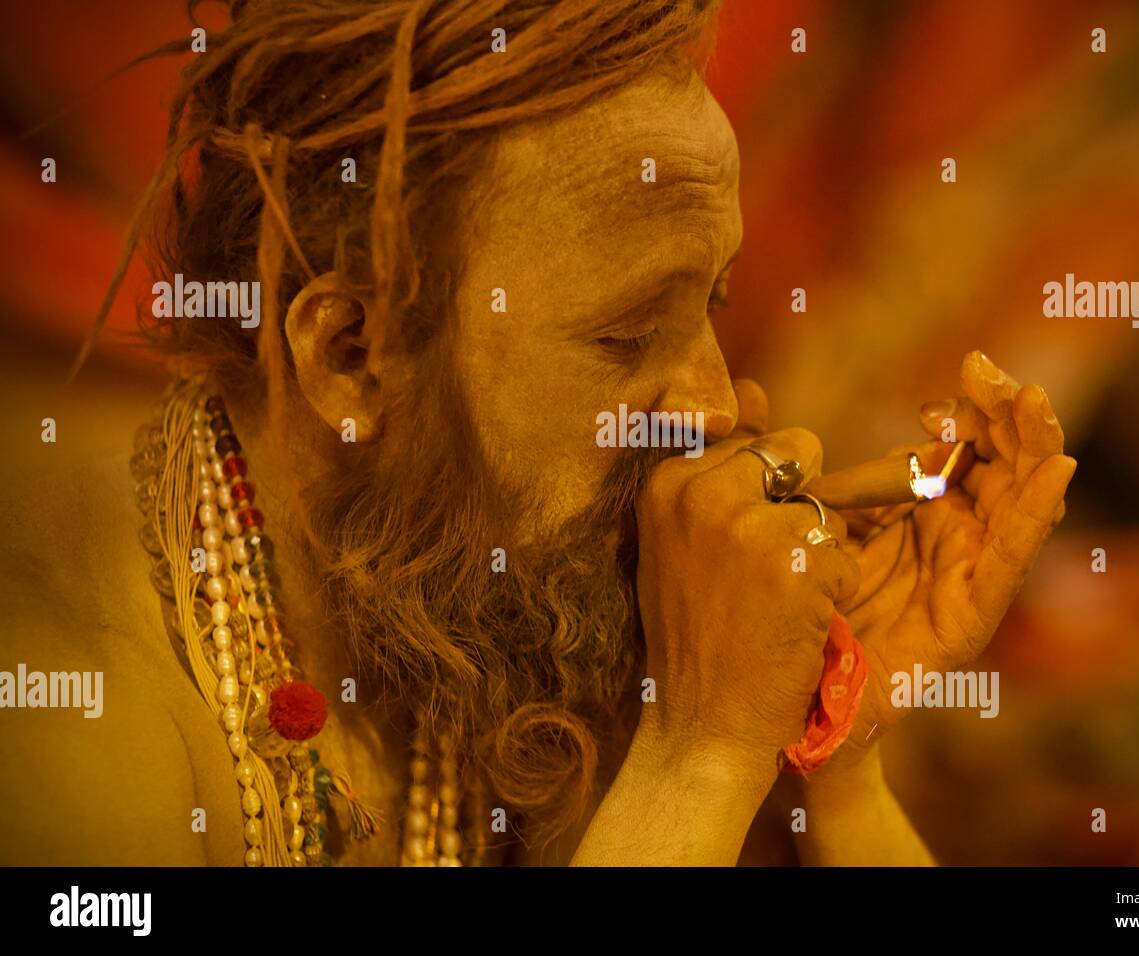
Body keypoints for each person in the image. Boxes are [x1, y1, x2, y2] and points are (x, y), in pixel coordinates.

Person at [0, 0, 1073, 866]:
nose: (710, 403)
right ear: (350, 353)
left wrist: (830, 747)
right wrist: (697, 751)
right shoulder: (65, 729)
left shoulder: (477, 609)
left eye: (711, 305)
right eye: (623, 334)